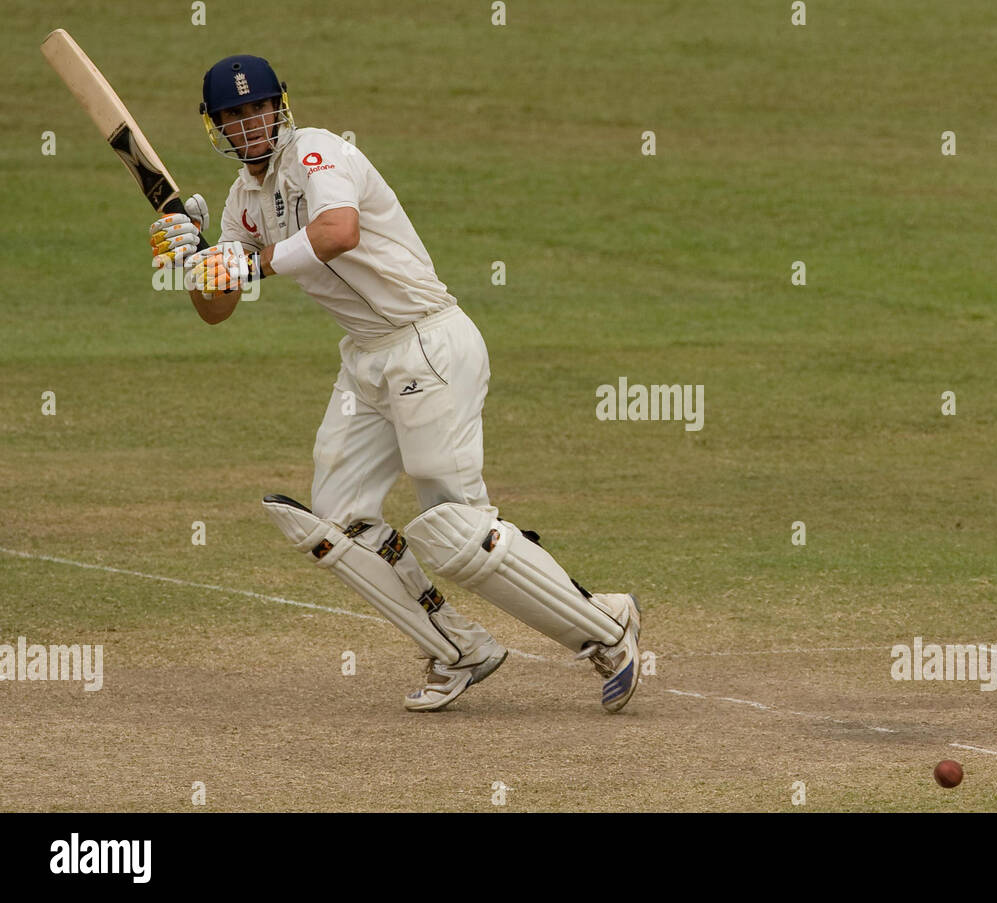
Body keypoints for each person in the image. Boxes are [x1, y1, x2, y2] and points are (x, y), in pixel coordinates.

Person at [148, 54, 641, 713]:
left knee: (453, 527)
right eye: (234, 115)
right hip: (367, 361)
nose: (250, 124)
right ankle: (457, 645)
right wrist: (196, 260)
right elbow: (218, 306)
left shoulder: (318, 153)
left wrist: (246, 260)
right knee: (336, 520)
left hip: (428, 340)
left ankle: (606, 627)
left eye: (259, 108)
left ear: (281, 106)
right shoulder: (244, 202)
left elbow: (337, 231)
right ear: (216, 127)